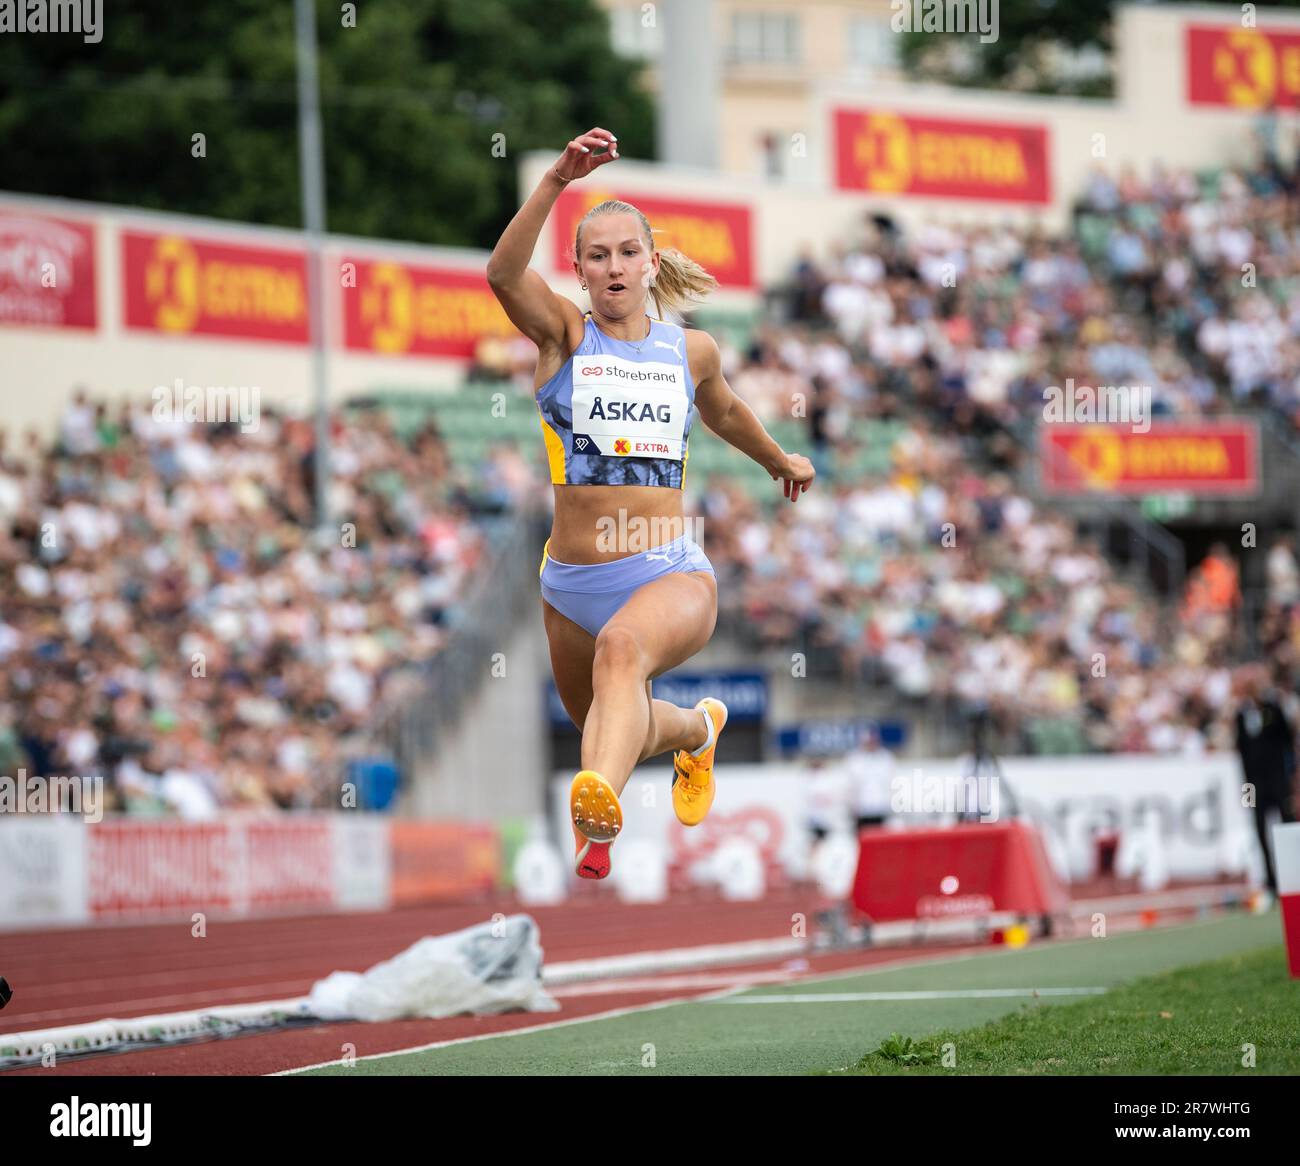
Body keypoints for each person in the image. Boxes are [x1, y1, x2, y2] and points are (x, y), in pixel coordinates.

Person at [486, 127, 815, 880]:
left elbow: (725, 411)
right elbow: (504, 275)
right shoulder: (563, 336)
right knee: (605, 720)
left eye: (626, 252)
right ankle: (698, 731)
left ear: (650, 263)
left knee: (623, 655)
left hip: (667, 568)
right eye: (596, 256)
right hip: (569, 585)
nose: (613, 267)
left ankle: (598, 831)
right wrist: (555, 182)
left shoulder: (689, 350)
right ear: (578, 270)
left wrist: (779, 462)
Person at [1234, 664, 1298, 903]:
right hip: (1255, 784)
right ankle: (1272, 881)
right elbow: (1242, 755)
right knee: (1261, 831)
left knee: (1287, 825)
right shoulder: (1241, 715)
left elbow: (1287, 742)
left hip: (1277, 780)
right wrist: (1246, 793)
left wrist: (1290, 778)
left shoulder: (1273, 708)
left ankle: (1294, 875)